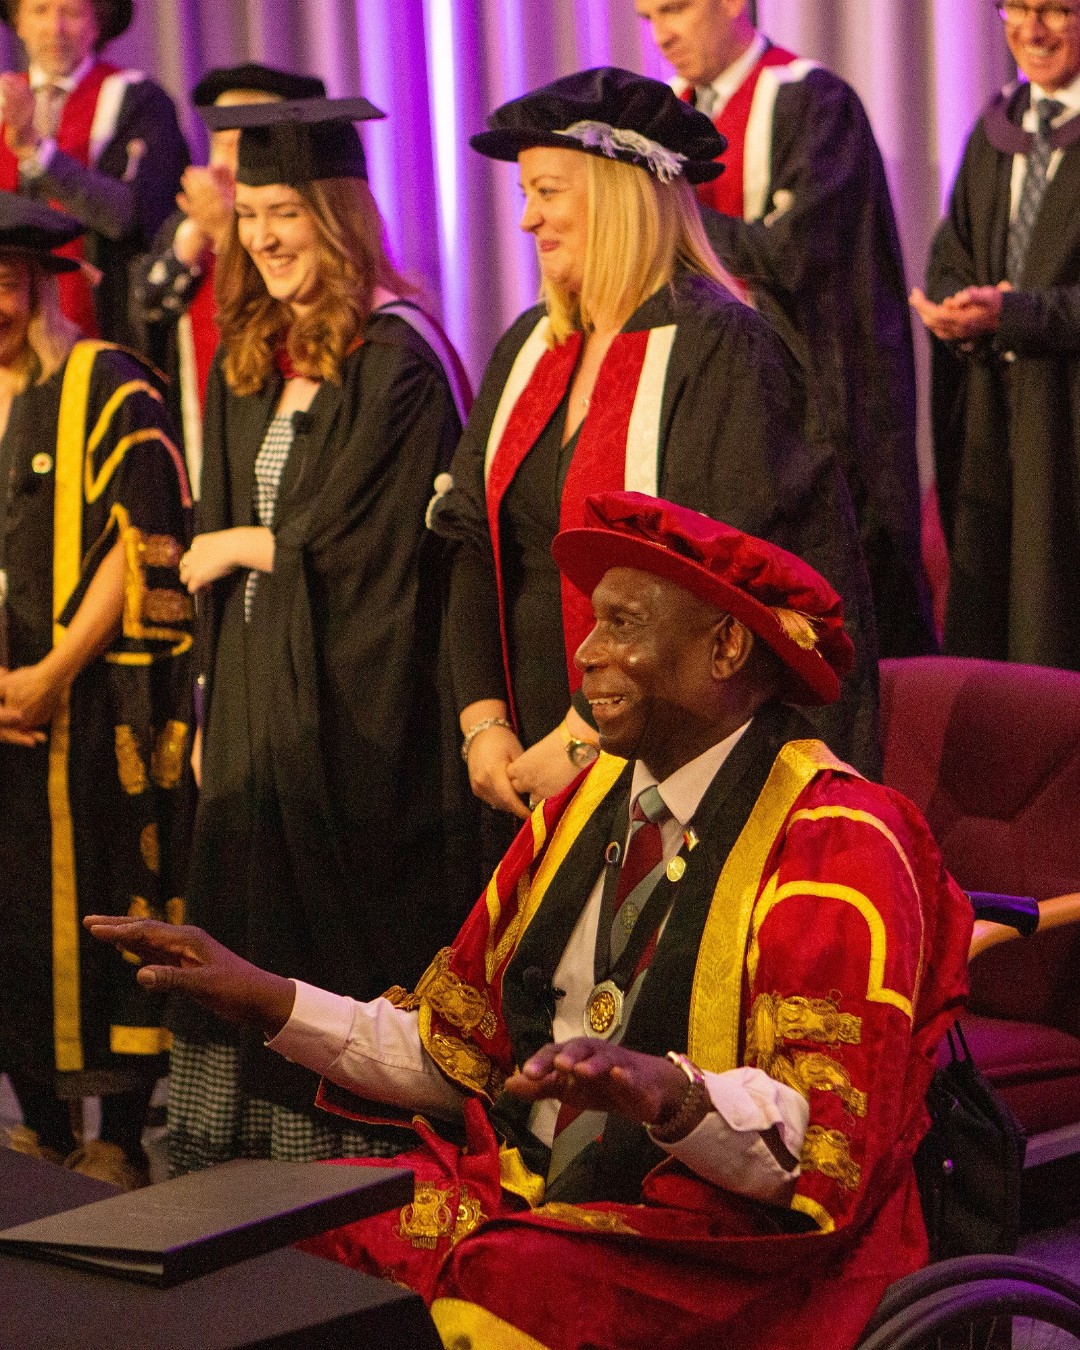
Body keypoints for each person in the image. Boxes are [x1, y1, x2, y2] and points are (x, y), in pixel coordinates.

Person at [88, 491, 973, 1350]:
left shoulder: (840, 842)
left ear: (728, 645)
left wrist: (669, 1093)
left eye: (622, 623)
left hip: (726, 1248)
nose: (583, 652)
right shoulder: (582, 808)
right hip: (533, 1190)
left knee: (496, 1286)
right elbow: (457, 1053)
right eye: (593, 620)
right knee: (284, 1232)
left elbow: (816, 1145)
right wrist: (271, 998)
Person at [431, 66, 880, 873]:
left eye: (548, 191)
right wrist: (482, 721)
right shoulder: (530, 348)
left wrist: (578, 738)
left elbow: (707, 584)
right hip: (524, 762)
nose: (528, 216)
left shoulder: (725, 351)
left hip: (682, 773)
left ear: (613, 192)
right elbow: (470, 537)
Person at [169, 95, 474, 1176]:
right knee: (242, 909)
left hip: (358, 718)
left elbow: (377, 557)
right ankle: (232, 1161)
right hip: (257, 700)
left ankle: (339, 1173)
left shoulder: (398, 356)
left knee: (326, 936)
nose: (261, 236)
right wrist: (214, 701)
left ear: (337, 213)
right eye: (248, 213)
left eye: (284, 210)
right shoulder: (250, 349)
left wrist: (254, 551)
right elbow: (218, 526)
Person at [636, 0, 936, 660]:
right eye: (648, 16)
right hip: (713, 421)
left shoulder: (812, 102)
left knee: (844, 647)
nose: (663, 33)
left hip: (824, 423)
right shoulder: (667, 122)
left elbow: (796, 255)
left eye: (676, 9)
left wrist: (665, 210)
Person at [0, 193, 192, 1189]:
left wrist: (48, 675)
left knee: (109, 903)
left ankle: (115, 1135)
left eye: (3, 280)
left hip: (92, 708)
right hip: (4, 717)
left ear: (36, 282)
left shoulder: (110, 383)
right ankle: (32, 1124)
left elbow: (145, 539)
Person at [910, 0, 1080, 671]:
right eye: (1017, 7)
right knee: (989, 626)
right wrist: (956, 308)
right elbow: (954, 248)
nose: (1031, 30)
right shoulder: (996, 130)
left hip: (1065, 430)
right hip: (993, 422)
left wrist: (1017, 314)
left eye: (1057, 11)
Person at [137, 63, 327, 496]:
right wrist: (193, 238)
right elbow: (146, 310)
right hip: (199, 429)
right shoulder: (186, 225)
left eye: (242, 143)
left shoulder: (310, 229)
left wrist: (230, 233)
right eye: (219, 142)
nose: (226, 160)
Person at [0, 0, 189, 346]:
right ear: (18, 22)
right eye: (40, 10)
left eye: (70, 12)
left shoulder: (139, 101)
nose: (54, 28)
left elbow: (127, 216)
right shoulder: (4, 100)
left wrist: (35, 151)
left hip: (110, 325)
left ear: (97, 23)